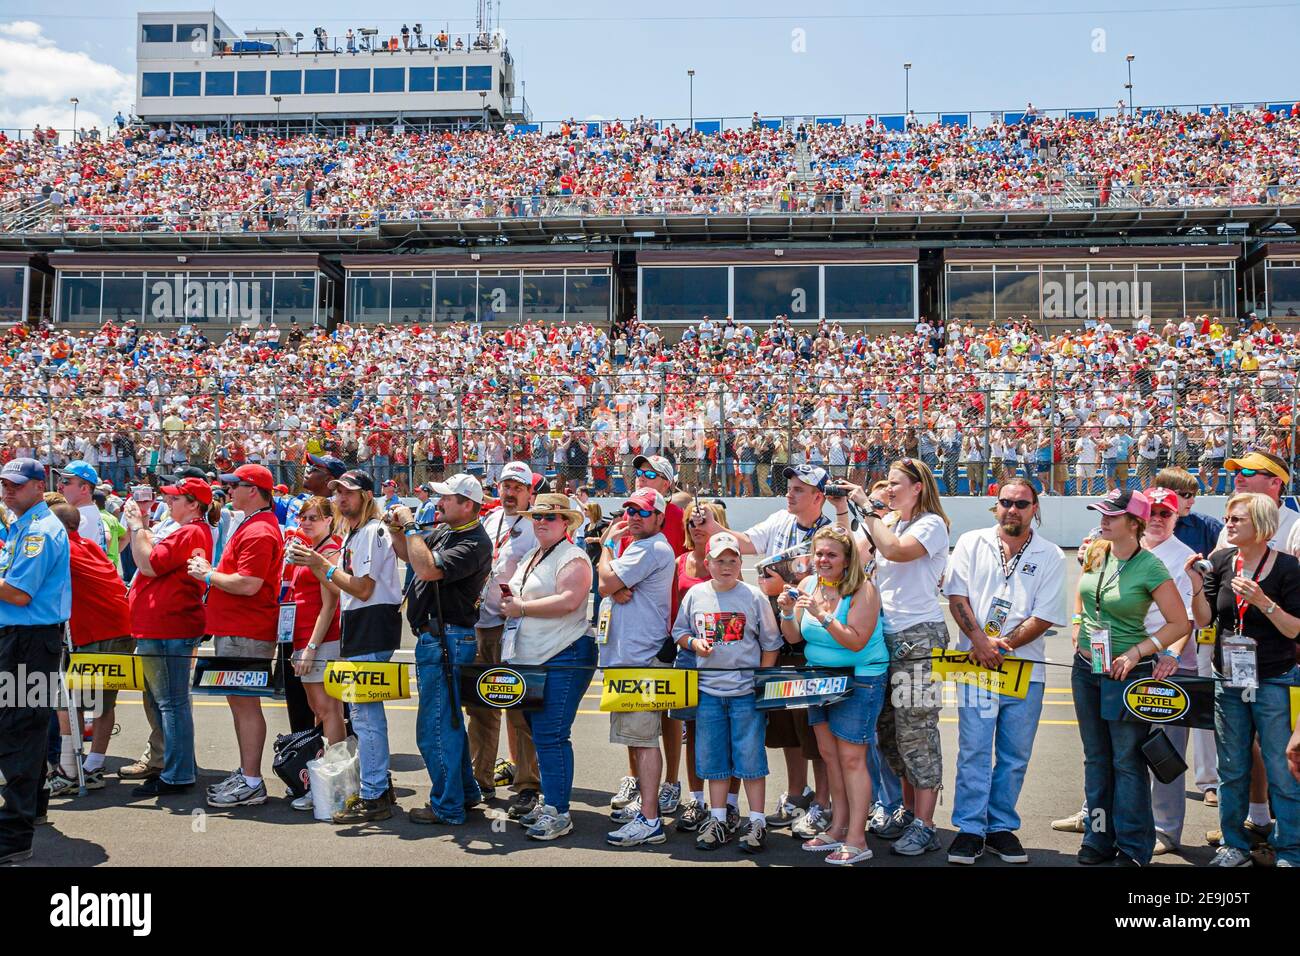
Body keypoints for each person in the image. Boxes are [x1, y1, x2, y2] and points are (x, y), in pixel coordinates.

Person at [943, 477, 1068, 865]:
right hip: (976, 663)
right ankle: (969, 828)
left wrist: (1002, 645)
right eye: (1006, 502)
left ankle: (999, 827)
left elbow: (1045, 614)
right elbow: (956, 595)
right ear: (995, 505)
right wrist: (980, 642)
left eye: (1022, 503)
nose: (1012, 509)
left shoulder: (1051, 554)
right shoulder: (970, 542)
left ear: (1035, 508)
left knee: (1014, 754)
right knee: (975, 749)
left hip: (1026, 668)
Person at [1074, 489, 1188, 866]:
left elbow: (1178, 623)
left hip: (1127, 673)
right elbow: (1084, 593)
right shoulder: (1097, 550)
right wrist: (1078, 628)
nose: (1103, 520)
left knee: (1126, 760)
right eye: (1101, 513)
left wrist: (1138, 651)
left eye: (1111, 515)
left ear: (1134, 523)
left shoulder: (1151, 566)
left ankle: (1134, 846)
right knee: (1095, 758)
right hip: (1086, 668)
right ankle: (1097, 836)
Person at [846, 457, 952, 856]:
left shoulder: (930, 524)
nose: (888, 489)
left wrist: (871, 512)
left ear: (917, 487)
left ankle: (926, 823)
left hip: (918, 638)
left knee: (917, 732)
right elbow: (854, 555)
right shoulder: (888, 520)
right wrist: (848, 511)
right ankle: (908, 811)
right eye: (885, 484)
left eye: (895, 483)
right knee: (888, 733)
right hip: (883, 636)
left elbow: (896, 552)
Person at [1188, 493, 1300, 867]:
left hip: (1275, 679)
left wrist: (1265, 603)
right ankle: (1233, 845)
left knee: (1281, 768)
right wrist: (1194, 586)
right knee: (1232, 766)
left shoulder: (1287, 568)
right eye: (1228, 518)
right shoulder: (1221, 561)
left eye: (1237, 519)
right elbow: (1204, 621)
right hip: (1229, 678)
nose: (1228, 524)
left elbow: (1295, 630)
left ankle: (1289, 850)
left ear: (1262, 526)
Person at [291, 469, 404, 823]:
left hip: (371, 626)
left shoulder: (370, 531)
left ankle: (373, 794)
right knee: (362, 716)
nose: (342, 499)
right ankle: (375, 788)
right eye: (338, 493)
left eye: (349, 493)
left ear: (367, 496)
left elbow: (362, 588)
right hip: (361, 627)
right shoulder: (356, 533)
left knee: (365, 717)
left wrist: (320, 564)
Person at [728, 463, 833, 835]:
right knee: (786, 719)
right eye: (789, 487)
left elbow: (833, 581)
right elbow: (746, 543)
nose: (790, 493)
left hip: (816, 636)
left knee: (814, 724)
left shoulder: (833, 532)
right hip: (780, 630)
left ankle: (824, 800)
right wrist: (713, 527)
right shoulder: (778, 520)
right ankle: (795, 792)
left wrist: (784, 585)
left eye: (799, 489)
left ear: (819, 496)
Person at [776, 525, 888, 865]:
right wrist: (785, 611)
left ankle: (857, 837)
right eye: (819, 553)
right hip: (819, 679)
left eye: (831, 555)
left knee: (852, 758)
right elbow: (794, 638)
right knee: (829, 755)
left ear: (846, 559)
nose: (823, 560)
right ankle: (838, 826)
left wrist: (822, 615)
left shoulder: (862, 589)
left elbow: (855, 640)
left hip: (860, 678)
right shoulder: (808, 584)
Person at [391, 473, 492, 825]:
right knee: (447, 723)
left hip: (446, 637)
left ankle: (447, 805)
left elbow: (426, 567)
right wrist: (397, 529)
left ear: (468, 505)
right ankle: (462, 793)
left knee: (435, 725)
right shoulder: (450, 530)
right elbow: (408, 553)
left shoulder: (475, 541)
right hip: (440, 636)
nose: (439, 502)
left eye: (447, 498)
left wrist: (409, 524)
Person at [673, 531, 781, 854]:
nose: (727, 566)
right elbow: (680, 631)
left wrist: (759, 681)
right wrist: (693, 643)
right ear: (707, 563)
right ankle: (718, 819)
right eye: (720, 560)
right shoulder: (695, 596)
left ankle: (757, 821)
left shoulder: (753, 597)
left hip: (745, 694)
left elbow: (771, 643)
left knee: (750, 758)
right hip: (708, 693)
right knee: (714, 758)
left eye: (733, 560)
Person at [186, 464, 284, 810]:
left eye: (234, 485)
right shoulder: (254, 524)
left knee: (244, 704)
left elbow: (248, 584)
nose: (227, 490)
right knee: (239, 703)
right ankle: (248, 773)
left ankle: (253, 780)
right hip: (239, 627)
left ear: (253, 490)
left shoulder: (259, 529)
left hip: (246, 628)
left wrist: (208, 574)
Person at [499, 494, 596, 840]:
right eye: (537, 516)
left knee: (551, 735)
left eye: (550, 517)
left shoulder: (573, 556)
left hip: (564, 652)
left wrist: (521, 607)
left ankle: (558, 811)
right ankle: (552, 802)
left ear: (566, 522)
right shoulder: (532, 555)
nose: (541, 521)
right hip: (536, 656)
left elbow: (570, 601)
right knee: (543, 734)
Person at [116, 466, 210, 783]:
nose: (168, 502)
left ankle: (178, 773)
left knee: (171, 703)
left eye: (175, 498)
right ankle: (175, 766)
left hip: (169, 626)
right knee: (166, 703)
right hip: (161, 625)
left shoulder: (191, 531)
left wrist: (136, 525)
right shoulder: (185, 529)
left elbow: (150, 564)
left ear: (193, 503)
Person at [609, 455, 689, 819]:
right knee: (631, 710)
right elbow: (616, 573)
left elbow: (686, 560)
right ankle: (635, 777)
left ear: (667, 485)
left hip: (665, 624)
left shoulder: (675, 517)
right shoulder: (629, 515)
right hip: (628, 620)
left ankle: (670, 781)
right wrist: (614, 590)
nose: (640, 477)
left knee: (667, 711)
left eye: (650, 474)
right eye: (637, 472)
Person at [0, 458, 70, 865]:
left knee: (18, 734)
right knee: (27, 729)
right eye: (5, 485)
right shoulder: (23, 526)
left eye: (16, 485)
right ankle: (31, 811)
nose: (8, 491)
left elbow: (19, 594)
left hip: (29, 641)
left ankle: (13, 834)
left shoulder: (39, 531)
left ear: (38, 486)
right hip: (25, 641)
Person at [599, 488, 677, 847]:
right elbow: (612, 588)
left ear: (660, 517)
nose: (633, 518)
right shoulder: (639, 547)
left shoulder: (651, 547)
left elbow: (606, 582)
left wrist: (605, 547)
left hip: (640, 658)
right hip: (627, 656)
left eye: (643, 513)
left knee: (643, 741)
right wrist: (613, 587)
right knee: (635, 739)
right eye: (629, 510)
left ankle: (649, 818)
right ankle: (645, 810)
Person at [44, 503, 131, 798]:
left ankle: (72, 770)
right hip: (116, 626)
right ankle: (91, 765)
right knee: (101, 701)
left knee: (68, 701)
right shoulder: (88, 546)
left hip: (98, 631)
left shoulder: (63, 549)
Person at [470, 460, 541, 817]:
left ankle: (528, 783)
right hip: (481, 623)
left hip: (514, 627)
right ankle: (479, 778)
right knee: (480, 707)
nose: (510, 493)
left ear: (530, 491)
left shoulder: (535, 526)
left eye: (517, 487)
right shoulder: (489, 519)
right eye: (505, 486)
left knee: (520, 709)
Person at [670, 499, 741, 833]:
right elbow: (674, 615)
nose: (697, 527)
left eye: (704, 521)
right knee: (694, 732)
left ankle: (731, 804)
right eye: (691, 521)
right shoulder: (679, 562)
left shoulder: (733, 563)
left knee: (730, 732)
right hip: (688, 657)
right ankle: (696, 800)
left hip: (726, 658)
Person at [1154, 466, 1222, 808]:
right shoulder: (1140, 527)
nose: (1191, 501)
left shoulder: (1207, 527)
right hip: (1159, 636)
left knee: (1203, 709)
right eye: (1185, 494)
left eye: (1193, 494)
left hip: (1200, 630)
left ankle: (1209, 780)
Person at [1137, 488, 1197, 856]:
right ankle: (1104, 815)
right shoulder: (1123, 545)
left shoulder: (1185, 558)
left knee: (1165, 751)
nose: (1157, 518)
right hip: (1125, 659)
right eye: (1152, 511)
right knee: (1118, 749)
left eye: (1166, 513)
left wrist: (1171, 656)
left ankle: (1166, 829)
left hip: (1165, 664)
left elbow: (1187, 618)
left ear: (1177, 518)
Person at [286, 495, 344, 810]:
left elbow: (330, 603)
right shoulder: (310, 550)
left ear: (328, 519)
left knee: (327, 710)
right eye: (303, 517)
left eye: (312, 517)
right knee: (320, 709)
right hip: (304, 637)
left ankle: (333, 781)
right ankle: (328, 779)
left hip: (320, 640)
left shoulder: (328, 551)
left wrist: (310, 647)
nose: (306, 522)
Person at [54, 460, 107, 554]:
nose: (59, 486)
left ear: (84, 489)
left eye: (65, 481)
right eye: (59, 479)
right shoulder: (89, 510)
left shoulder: (81, 519)